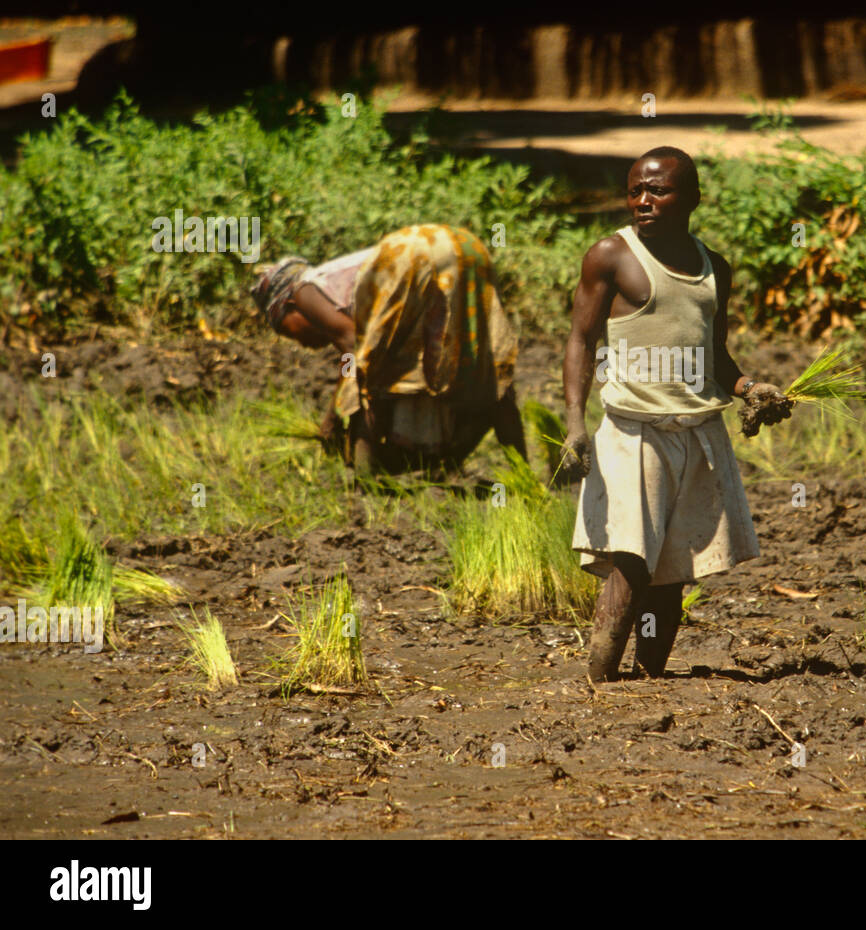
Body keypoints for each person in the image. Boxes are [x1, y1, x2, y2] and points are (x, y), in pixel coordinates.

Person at [560, 147, 792, 683]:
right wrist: (576, 422)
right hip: (633, 431)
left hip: (696, 432)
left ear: (691, 199)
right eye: (635, 190)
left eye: (658, 191)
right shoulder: (611, 256)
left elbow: (714, 357)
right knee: (632, 559)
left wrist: (751, 388)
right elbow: (579, 339)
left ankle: (650, 681)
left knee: (674, 569)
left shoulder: (715, 269)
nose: (643, 201)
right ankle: (598, 680)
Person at [250, 223, 525, 474]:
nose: (302, 344)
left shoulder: (303, 290)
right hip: (465, 246)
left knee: (371, 377)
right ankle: (525, 478)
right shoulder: (340, 292)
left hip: (413, 254)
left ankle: (364, 480)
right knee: (485, 368)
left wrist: (333, 419)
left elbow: (352, 347)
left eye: (285, 330)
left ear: (288, 306)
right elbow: (349, 353)